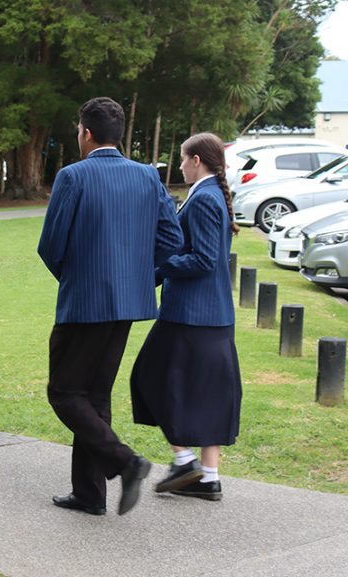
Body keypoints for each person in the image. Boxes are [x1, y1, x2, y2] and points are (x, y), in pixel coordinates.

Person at [37, 97, 184, 516]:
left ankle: (126, 462)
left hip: (85, 302)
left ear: (85, 132)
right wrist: (136, 277)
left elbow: (51, 245)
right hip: (126, 303)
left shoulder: (73, 176)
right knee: (95, 396)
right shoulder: (147, 177)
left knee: (64, 393)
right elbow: (171, 240)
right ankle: (89, 495)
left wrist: (79, 278)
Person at [131, 132, 242, 502]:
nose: (179, 166)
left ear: (197, 161)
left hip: (192, 316)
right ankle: (207, 479)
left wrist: (161, 264)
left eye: (182, 159)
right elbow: (189, 251)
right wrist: (151, 277)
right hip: (208, 316)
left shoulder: (206, 198)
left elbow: (204, 260)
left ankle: (184, 461)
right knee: (207, 396)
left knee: (147, 377)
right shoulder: (208, 195)